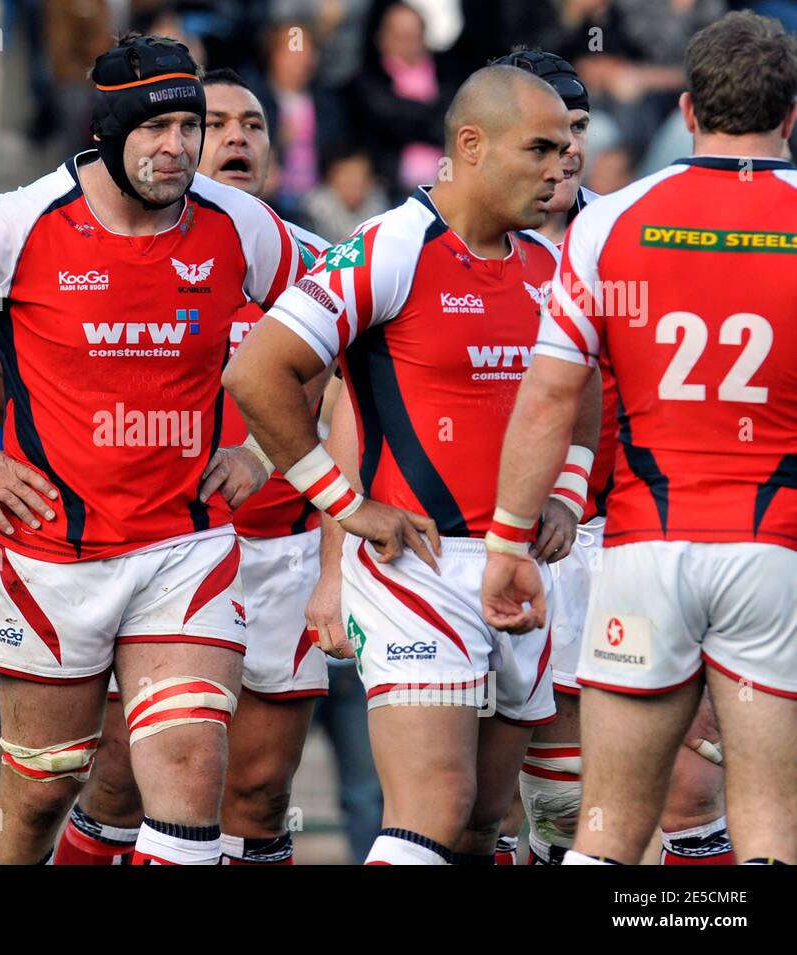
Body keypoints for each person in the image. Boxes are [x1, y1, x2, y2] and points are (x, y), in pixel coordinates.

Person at [0, 34, 305, 865]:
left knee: (191, 769)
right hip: (48, 554)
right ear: (108, 130)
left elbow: (342, 314)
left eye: (189, 128)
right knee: (39, 792)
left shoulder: (243, 225)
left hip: (185, 549)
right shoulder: (16, 222)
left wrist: (269, 453)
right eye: (156, 129)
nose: (178, 149)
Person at [225, 64, 598, 865]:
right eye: (539, 146)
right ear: (470, 143)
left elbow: (585, 383)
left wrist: (566, 491)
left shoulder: (547, 259)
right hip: (415, 569)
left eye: (568, 146)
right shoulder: (391, 245)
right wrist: (345, 504)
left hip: (516, 566)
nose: (559, 165)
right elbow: (258, 372)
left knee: (483, 824)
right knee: (434, 805)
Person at [480, 10, 797, 866]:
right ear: (793, 115)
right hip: (773, 546)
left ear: (688, 112)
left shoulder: (612, 220)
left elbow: (552, 393)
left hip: (644, 544)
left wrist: (509, 538)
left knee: (607, 833)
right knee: (769, 833)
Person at [47, 66, 330, 867]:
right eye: (218, 122)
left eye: (254, 124)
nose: (236, 135)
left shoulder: (308, 263)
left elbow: (348, 391)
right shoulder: (116, 248)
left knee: (262, 790)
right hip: (155, 543)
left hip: (279, 549)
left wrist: (266, 455)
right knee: (119, 784)